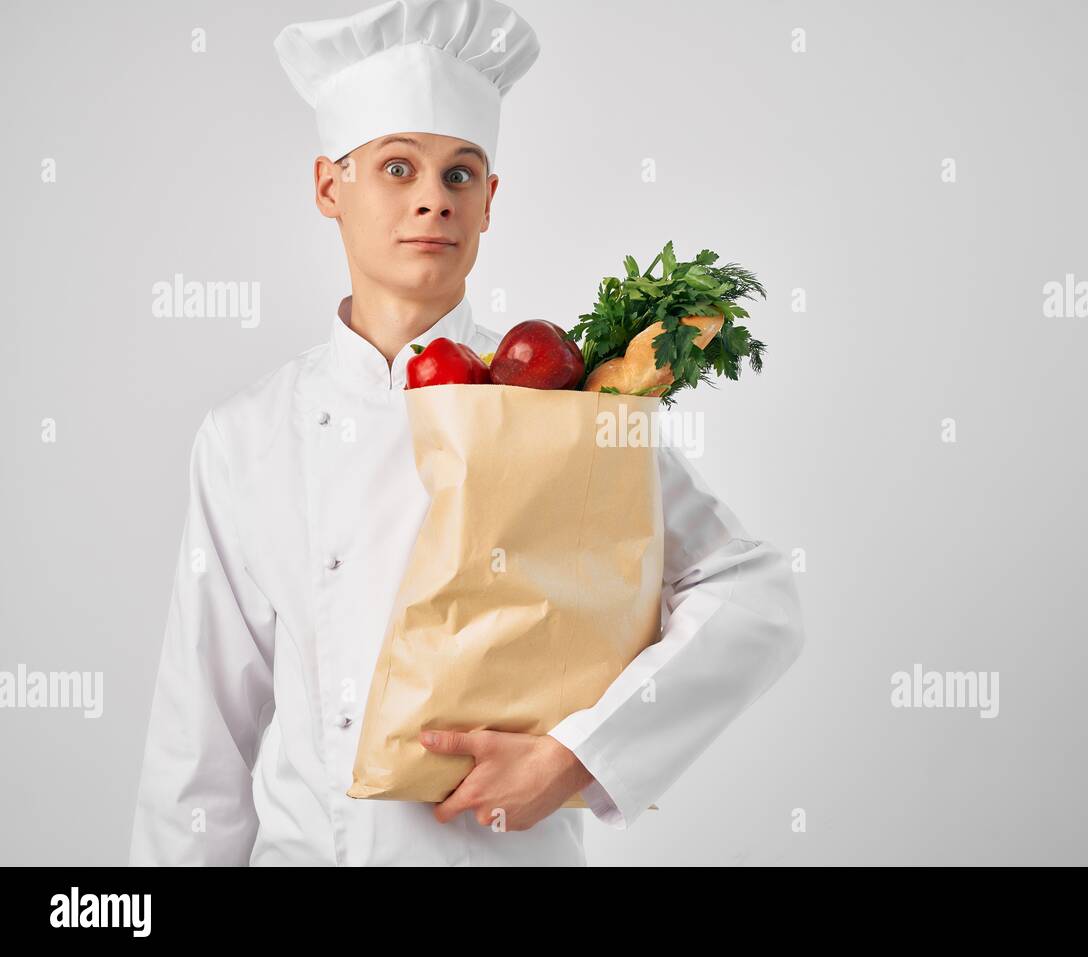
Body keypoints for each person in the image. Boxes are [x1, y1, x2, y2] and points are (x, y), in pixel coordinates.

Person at [128, 0, 805, 866]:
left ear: (490, 201)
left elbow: (754, 593)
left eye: (459, 175)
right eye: (397, 167)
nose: (431, 202)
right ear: (329, 187)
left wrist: (574, 759)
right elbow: (199, 743)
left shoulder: (554, 395)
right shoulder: (246, 435)